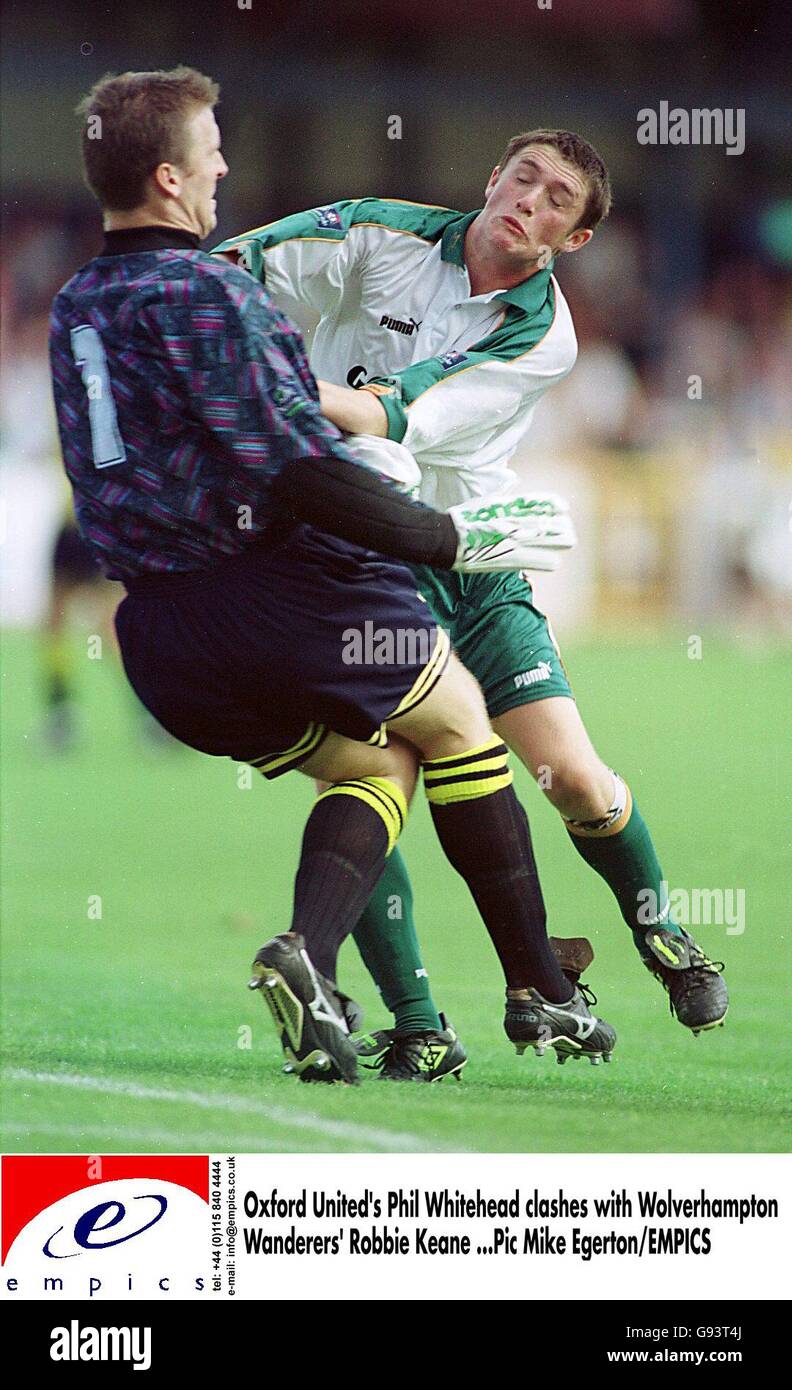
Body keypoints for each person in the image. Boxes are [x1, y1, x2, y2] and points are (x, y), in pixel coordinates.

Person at [50, 69, 617, 1087]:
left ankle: (311, 961)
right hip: (280, 590)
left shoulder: (74, 304)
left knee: (372, 767)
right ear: (174, 179)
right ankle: (543, 990)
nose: (226, 164)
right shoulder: (213, 292)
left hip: (158, 636)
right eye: (212, 150)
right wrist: (443, 537)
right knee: (457, 727)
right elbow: (300, 467)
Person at [214, 128, 728, 1073]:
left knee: (570, 776)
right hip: (369, 563)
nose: (529, 198)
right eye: (521, 176)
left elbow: (391, 412)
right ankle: (421, 1024)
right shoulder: (379, 235)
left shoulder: (544, 335)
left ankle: (663, 938)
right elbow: (234, 271)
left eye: (556, 199)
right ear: (492, 178)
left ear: (570, 240)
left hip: (478, 562)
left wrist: (268, 389)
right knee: (372, 774)